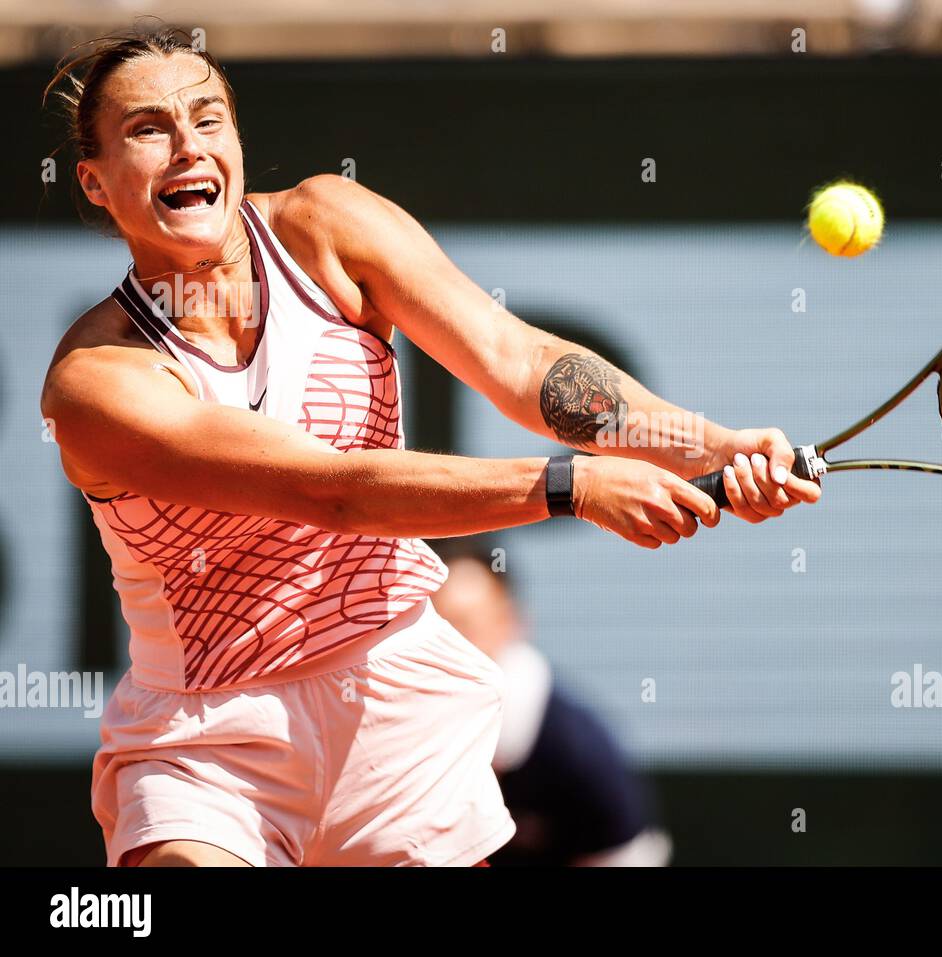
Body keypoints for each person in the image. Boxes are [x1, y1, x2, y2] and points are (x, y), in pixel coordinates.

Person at [38, 25, 820, 867]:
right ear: (96, 180)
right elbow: (328, 491)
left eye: (209, 117)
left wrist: (705, 443)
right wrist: (573, 486)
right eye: (148, 128)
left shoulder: (328, 227)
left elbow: (518, 360)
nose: (188, 146)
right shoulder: (95, 381)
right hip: (209, 740)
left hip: (394, 706)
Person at [432, 545, 672, 866]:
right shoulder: (397, 726)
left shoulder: (576, 748)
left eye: (465, 626)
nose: (451, 646)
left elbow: (622, 852)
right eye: (437, 628)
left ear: (511, 621)